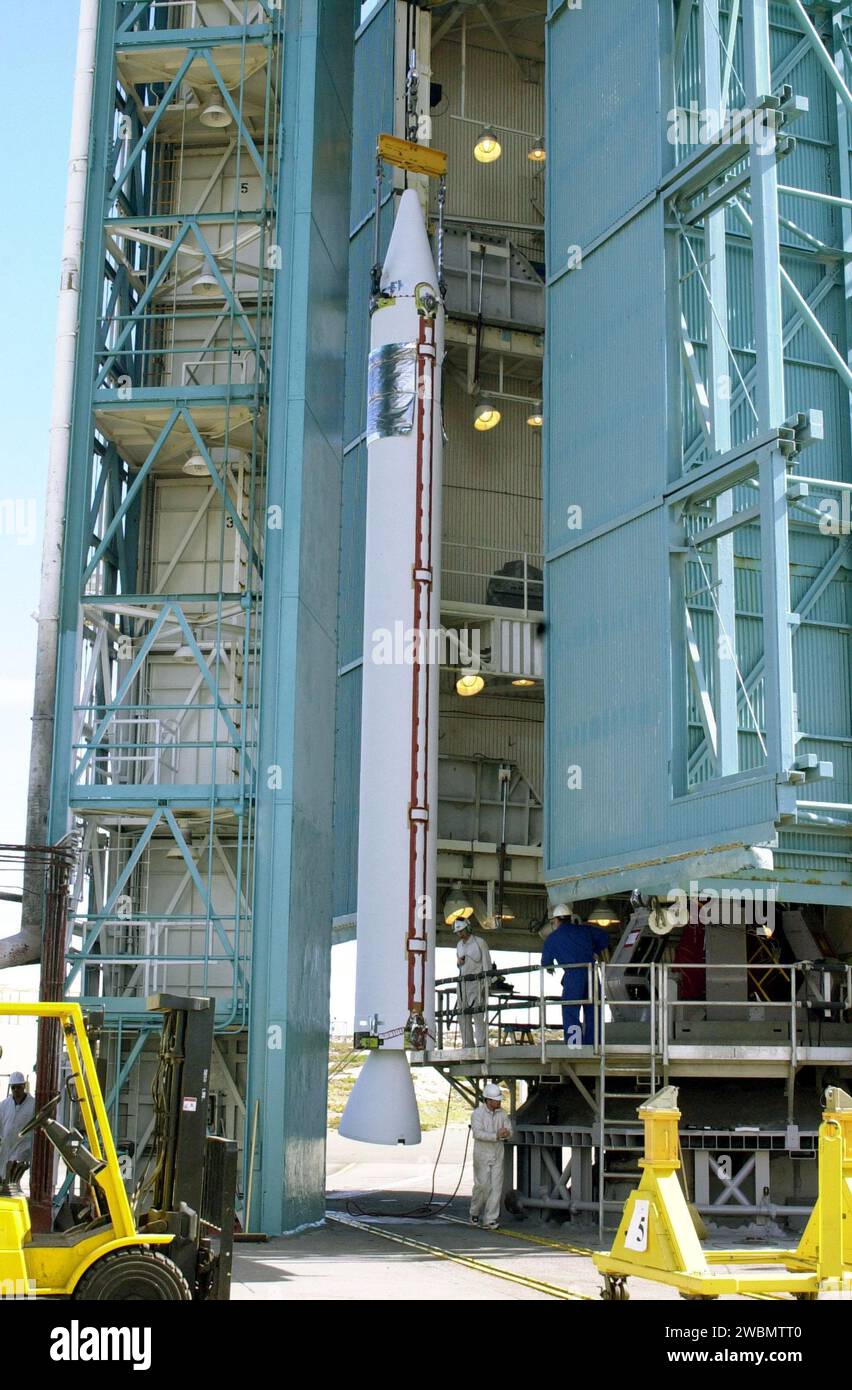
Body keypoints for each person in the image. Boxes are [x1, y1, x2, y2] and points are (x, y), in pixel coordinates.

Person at [541, 904, 610, 1045]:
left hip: (573, 976)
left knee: (570, 1011)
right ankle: (593, 1043)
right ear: (570, 918)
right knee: (593, 1010)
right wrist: (593, 950)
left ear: (555, 921)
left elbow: (546, 962)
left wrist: (551, 968)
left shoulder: (553, 938)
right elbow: (605, 937)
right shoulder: (585, 930)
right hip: (592, 973)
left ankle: (575, 1044)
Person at [470, 1082, 511, 1229]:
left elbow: (509, 1128)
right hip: (482, 1153)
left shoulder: (503, 1113)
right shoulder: (477, 1114)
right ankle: (474, 1211)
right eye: (496, 1100)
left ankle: (490, 1219)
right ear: (488, 1100)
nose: (499, 1102)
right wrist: (496, 1135)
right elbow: (477, 1133)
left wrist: (507, 1133)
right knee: (482, 1185)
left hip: (497, 1152)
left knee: (496, 1186)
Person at [454, 919, 492, 1048]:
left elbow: (487, 965)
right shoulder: (459, 945)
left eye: (461, 931)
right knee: (462, 1015)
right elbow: (459, 966)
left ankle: (481, 1044)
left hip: (477, 983)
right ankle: (467, 1044)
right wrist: (459, 962)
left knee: (478, 1014)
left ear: (468, 928)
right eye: (458, 932)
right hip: (462, 984)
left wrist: (486, 985)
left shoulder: (480, 943)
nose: (460, 934)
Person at [0, 1072, 36, 1182]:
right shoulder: (4, 1104)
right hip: (7, 1144)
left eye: (19, 1087)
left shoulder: (33, 1104)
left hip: (24, 1144)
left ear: (24, 1086)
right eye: (13, 1087)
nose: (16, 1090)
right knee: (4, 1172)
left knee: (15, 1168)